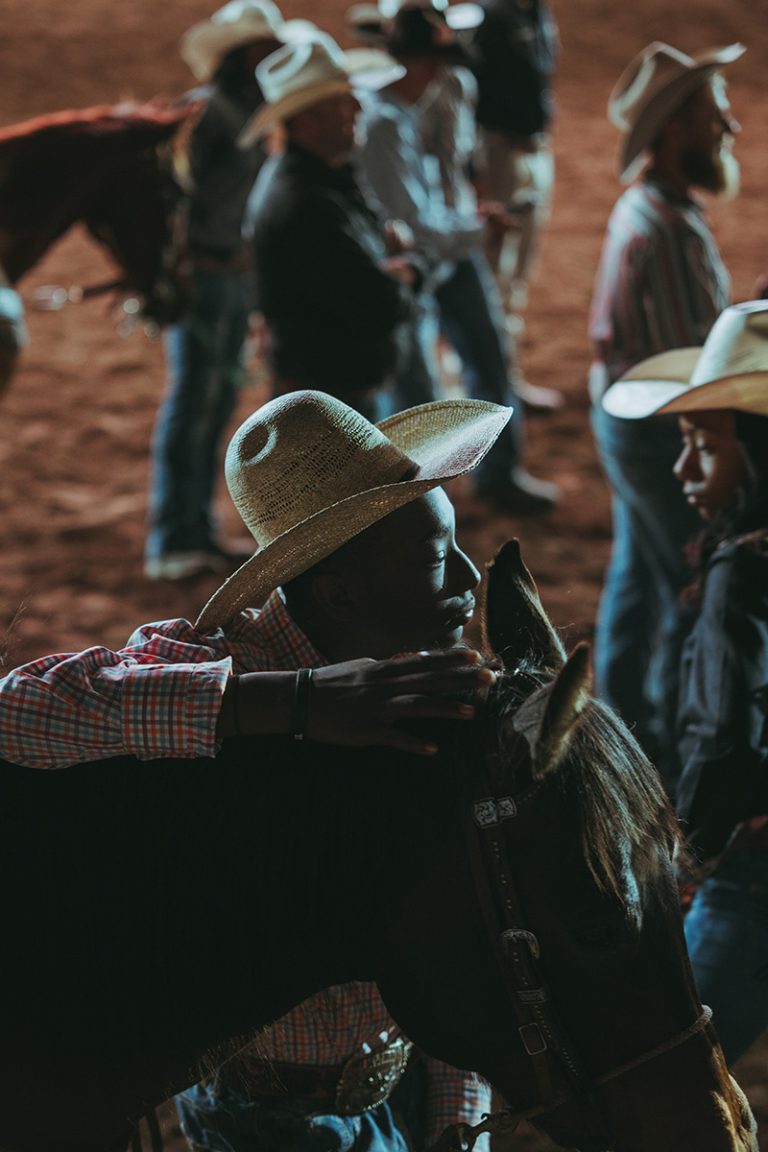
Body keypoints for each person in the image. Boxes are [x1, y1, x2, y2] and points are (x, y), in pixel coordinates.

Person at [0, 389, 510, 1152]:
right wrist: (293, 703)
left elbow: (444, 920)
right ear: (339, 593)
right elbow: (17, 711)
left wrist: (460, 1123)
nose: (471, 578)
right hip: (257, 1121)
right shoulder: (224, 667)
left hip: (395, 1091)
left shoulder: (421, 682)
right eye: (439, 561)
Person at [602, 299, 768, 1066]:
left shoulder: (741, 573)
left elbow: (722, 740)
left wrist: (681, 863)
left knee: (671, 1061)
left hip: (751, 869)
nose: (681, 471)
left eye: (705, 446)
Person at [588, 41, 743, 785]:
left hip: (624, 414)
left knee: (635, 576)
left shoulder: (643, 208)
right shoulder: (673, 230)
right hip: (657, 427)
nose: (730, 128)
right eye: (716, 114)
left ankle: (618, 726)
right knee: (692, 581)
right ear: (678, 127)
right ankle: (675, 762)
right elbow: (699, 371)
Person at [356, 2, 559, 512]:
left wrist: (471, 215)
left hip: (448, 244)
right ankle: (414, 503)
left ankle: (497, 474)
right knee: (414, 387)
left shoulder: (448, 91)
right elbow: (410, 221)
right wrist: (476, 226)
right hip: (421, 257)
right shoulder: (381, 119)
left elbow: (455, 171)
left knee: (487, 354)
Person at [145, 1, 287, 582]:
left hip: (230, 275)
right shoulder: (207, 112)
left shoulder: (244, 110)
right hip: (203, 275)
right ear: (245, 53)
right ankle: (173, 537)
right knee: (194, 403)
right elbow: (167, 198)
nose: (273, 55)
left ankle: (195, 529)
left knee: (213, 404)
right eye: (265, 46)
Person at [241, 35, 425, 423]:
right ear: (307, 119)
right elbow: (380, 306)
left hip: (333, 396)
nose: (359, 106)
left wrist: (391, 270)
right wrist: (408, 271)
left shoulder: (323, 173)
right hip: (330, 407)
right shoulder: (304, 202)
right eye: (343, 99)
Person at [472, 0, 559, 357]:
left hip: (535, 151)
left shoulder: (537, 11)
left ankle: (507, 376)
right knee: (494, 271)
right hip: (499, 155)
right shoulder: (489, 17)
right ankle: (477, 387)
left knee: (519, 268)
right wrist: (476, 174)